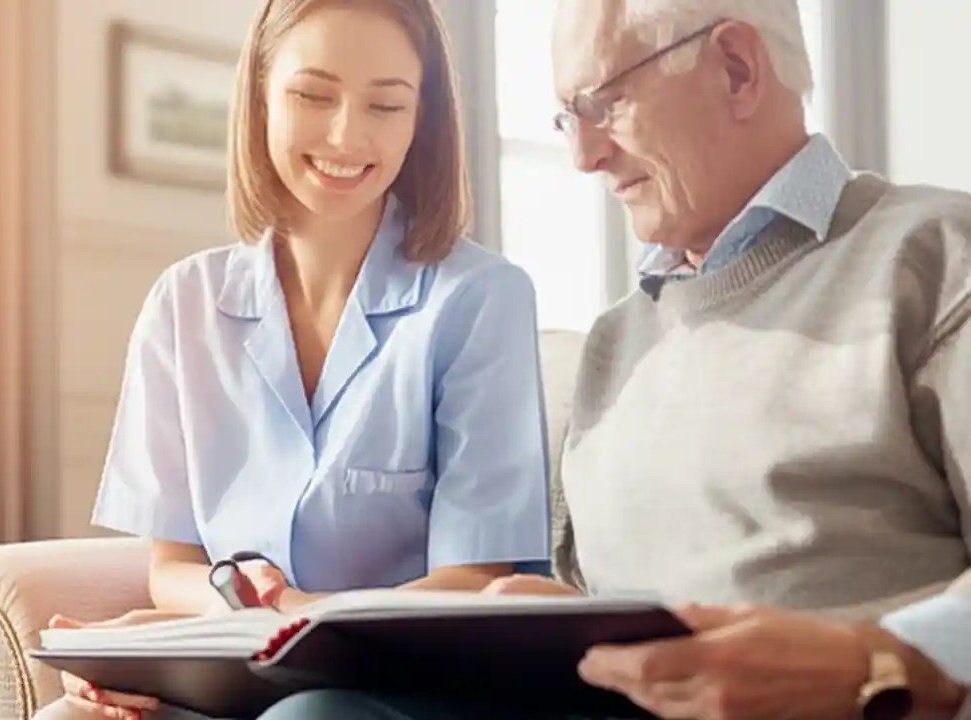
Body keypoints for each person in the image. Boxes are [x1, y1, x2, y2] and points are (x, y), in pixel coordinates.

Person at [259, 0, 971, 718]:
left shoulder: (937, 259)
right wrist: (547, 626)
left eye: (601, 104)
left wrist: (878, 666)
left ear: (737, 69)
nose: (584, 156)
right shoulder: (618, 342)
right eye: (568, 119)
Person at [35, 0, 552, 718]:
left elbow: (473, 580)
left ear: (422, 120)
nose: (347, 135)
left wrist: (298, 616)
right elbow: (174, 565)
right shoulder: (184, 302)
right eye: (313, 95)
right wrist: (171, 637)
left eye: (386, 106)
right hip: (239, 674)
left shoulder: (481, 299)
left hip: (407, 684)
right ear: (260, 97)